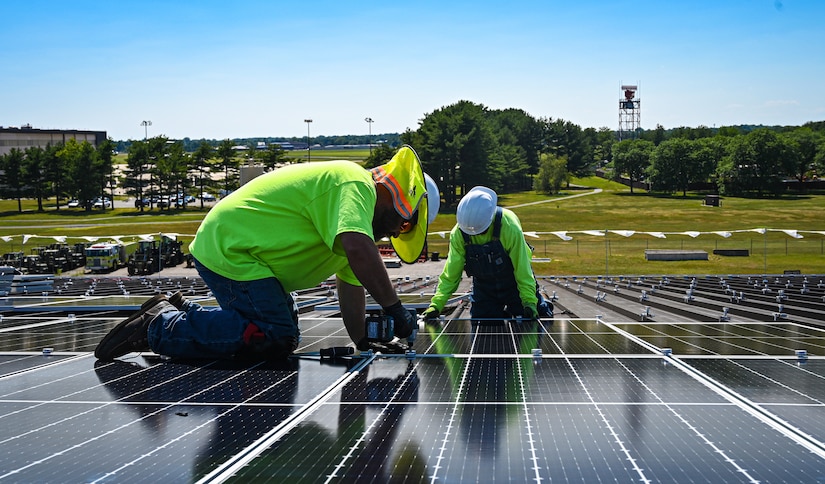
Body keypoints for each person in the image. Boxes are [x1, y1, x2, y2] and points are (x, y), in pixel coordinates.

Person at [95, 145, 439, 361]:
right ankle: (158, 327)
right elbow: (360, 251)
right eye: (405, 225)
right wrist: (395, 308)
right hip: (232, 247)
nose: (398, 233)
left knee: (283, 334)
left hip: (249, 259)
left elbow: (351, 289)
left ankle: (182, 311)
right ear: (400, 199)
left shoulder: (355, 226)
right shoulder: (355, 184)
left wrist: (364, 341)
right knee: (275, 335)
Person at [421, 186, 552, 325]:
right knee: (483, 327)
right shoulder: (459, 233)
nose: (475, 235)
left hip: (514, 284)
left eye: (480, 231)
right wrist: (437, 304)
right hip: (484, 289)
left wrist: (529, 301)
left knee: (534, 319)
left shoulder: (509, 226)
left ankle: (543, 302)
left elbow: (522, 269)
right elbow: (451, 273)